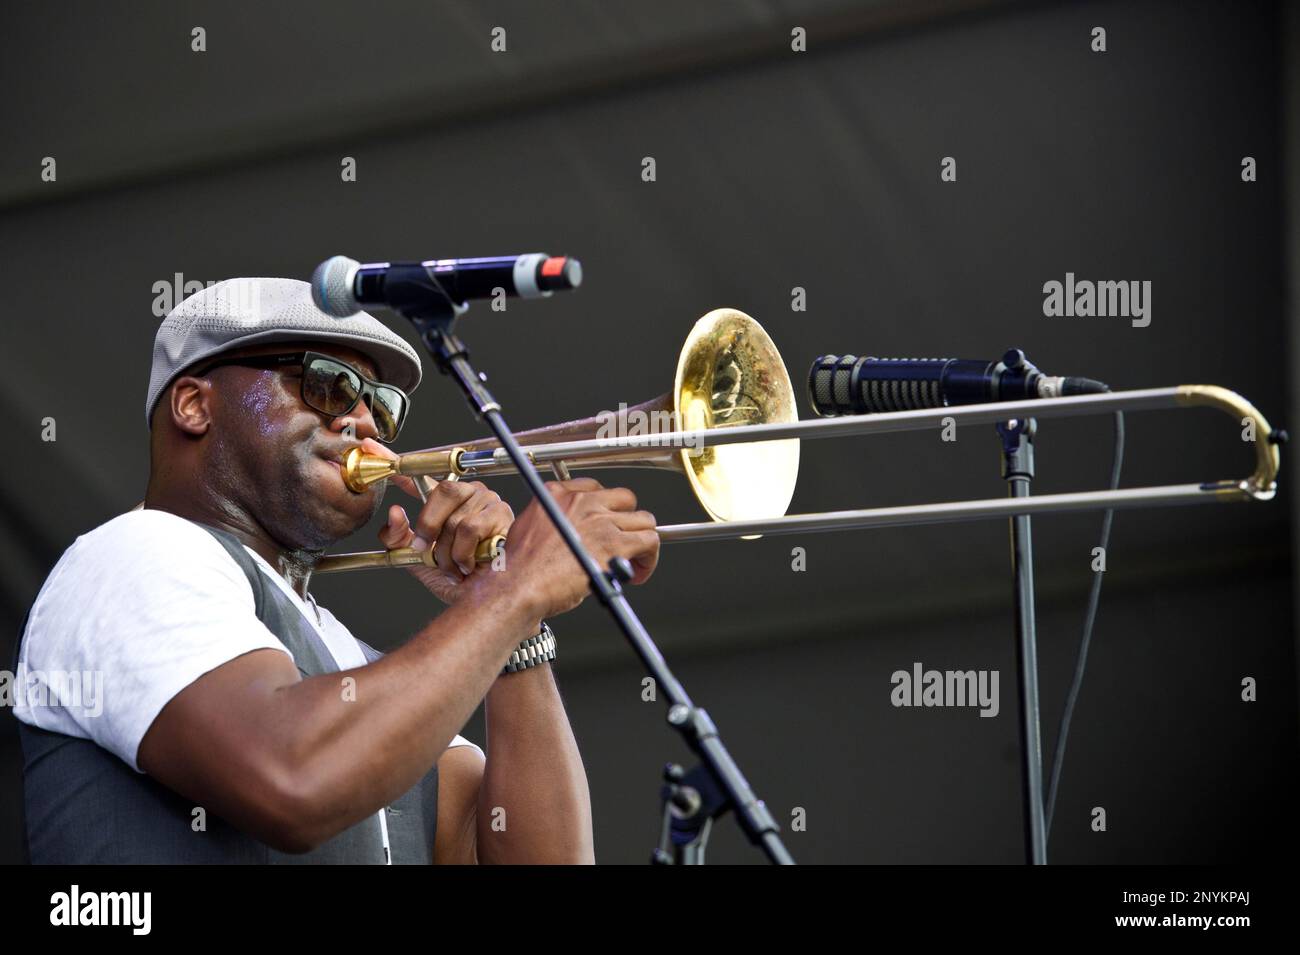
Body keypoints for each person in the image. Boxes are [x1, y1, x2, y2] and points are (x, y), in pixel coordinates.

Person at [12, 276, 659, 864]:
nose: (363, 420)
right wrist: (513, 590)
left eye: (381, 404)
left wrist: (518, 627)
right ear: (193, 403)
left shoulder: (348, 656)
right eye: (327, 384)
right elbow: (293, 776)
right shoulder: (133, 555)